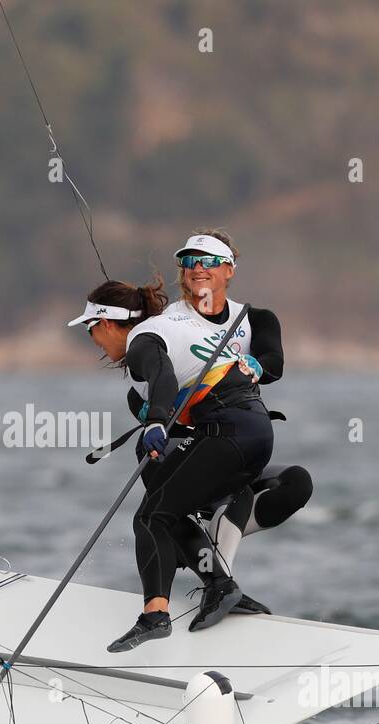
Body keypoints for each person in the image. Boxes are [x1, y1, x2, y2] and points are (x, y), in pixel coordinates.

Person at [70, 277, 274, 652]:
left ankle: (155, 616)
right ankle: (221, 586)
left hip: (229, 432)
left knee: (150, 518)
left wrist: (156, 422)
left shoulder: (141, 342)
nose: (95, 342)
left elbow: (163, 376)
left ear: (107, 323)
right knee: (167, 510)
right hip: (252, 431)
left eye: (91, 331)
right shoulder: (164, 331)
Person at [144, 229, 312, 615]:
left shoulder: (256, 319)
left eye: (207, 261)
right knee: (221, 493)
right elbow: (151, 378)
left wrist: (256, 365)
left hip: (236, 438)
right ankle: (213, 584)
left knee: (296, 483)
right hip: (189, 440)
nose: (196, 269)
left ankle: (217, 568)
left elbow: (275, 364)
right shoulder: (171, 321)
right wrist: (150, 414)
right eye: (189, 262)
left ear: (229, 269)